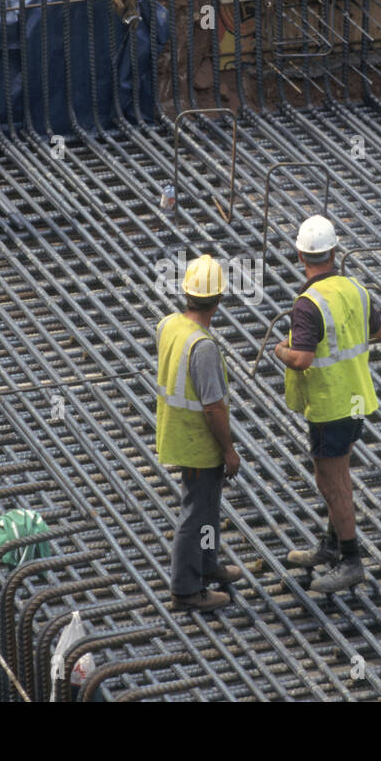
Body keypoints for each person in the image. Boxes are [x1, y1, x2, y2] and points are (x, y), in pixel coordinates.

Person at [274, 216, 381, 593]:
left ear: (301, 255)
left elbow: (302, 359)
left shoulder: (308, 304)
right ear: (334, 252)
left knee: (330, 481)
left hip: (330, 404)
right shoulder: (355, 288)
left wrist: (281, 350)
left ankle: (351, 560)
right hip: (356, 399)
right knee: (338, 477)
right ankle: (331, 544)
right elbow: (379, 331)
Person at [154, 254, 244, 612]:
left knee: (207, 507)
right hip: (197, 440)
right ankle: (186, 589)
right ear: (219, 299)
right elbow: (213, 407)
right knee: (195, 513)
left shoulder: (168, 325)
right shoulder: (203, 347)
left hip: (176, 431)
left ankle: (207, 564)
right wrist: (229, 450)